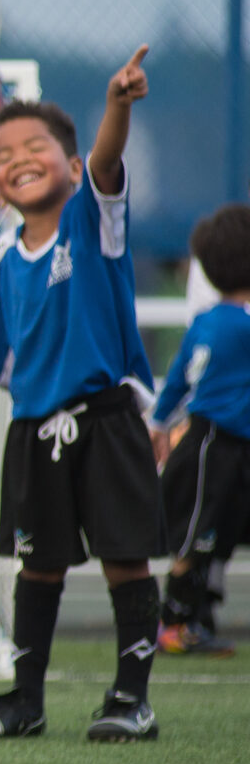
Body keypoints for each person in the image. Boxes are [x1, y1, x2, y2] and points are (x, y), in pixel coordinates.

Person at [0, 47, 167, 742]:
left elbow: (108, 159)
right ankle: (26, 698)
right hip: (33, 428)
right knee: (37, 565)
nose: (18, 158)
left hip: (105, 421)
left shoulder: (91, 221)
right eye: (3, 154)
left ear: (73, 168)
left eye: (35, 146)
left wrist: (118, 106)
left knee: (123, 557)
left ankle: (131, 698)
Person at [151, 202, 250, 656]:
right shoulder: (239, 326)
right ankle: (171, 623)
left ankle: (186, 620)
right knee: (198, 535)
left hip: (210, 439)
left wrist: (158, 421)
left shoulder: (204, 322)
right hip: (216, 445)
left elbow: (175, 382)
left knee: (211, 534)